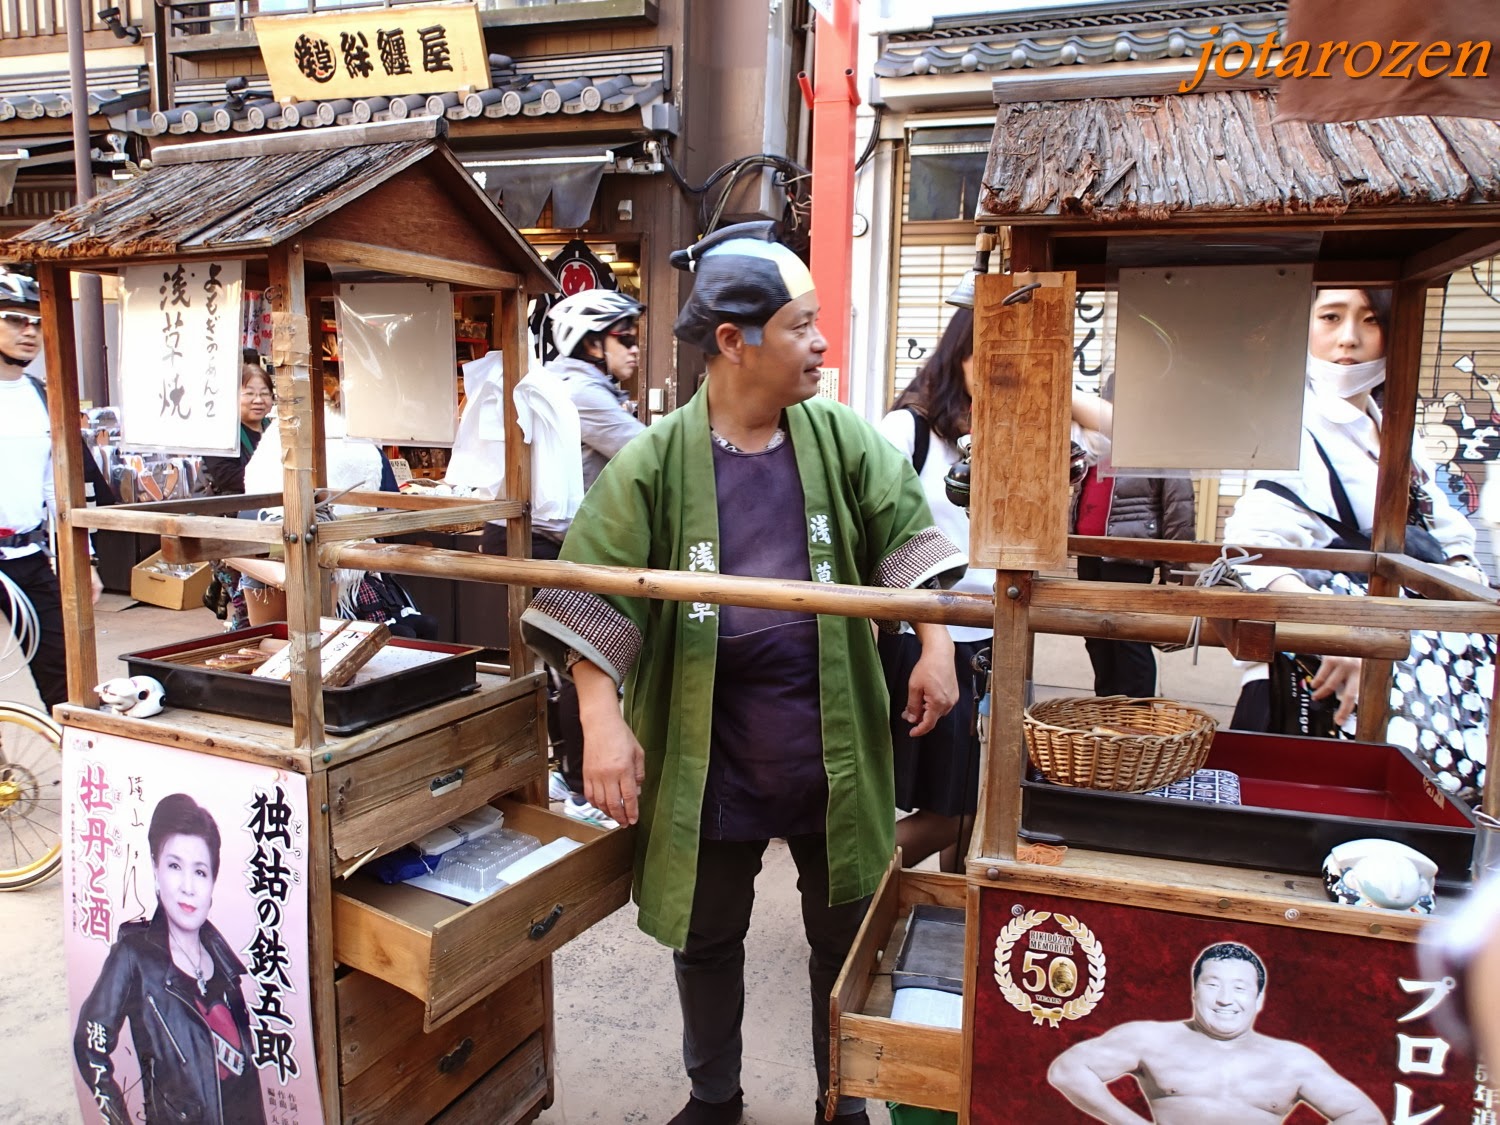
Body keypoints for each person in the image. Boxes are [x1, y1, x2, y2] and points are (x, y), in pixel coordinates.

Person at [520, 221, 965, 1125]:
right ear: (735, 342)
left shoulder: (837, 435)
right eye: (801, 325)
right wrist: (600, 717)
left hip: (828, 745)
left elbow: (905, 530)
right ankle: (713, 1094)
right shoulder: (653, 459)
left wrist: (936, 642)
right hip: (711, 747)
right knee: (708, 933)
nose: (821, 343)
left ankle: (841, 1100)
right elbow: (591, 587)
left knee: (843, 933)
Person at [1223, 288, 1491, 802]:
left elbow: (1449, 534)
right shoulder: (1291, 423)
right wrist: (1335, 628)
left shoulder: (1391, 427)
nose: (1349, 338)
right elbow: (1249, 548)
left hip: (1413, 676)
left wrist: (1464, 587)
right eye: (1330, 317)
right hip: (1320, 685)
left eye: (1369, 320)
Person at [480, 287, 647, 830]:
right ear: (591, 343)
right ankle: (579, 789)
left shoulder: (576, 386)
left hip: (539, 541)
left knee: (562, 666)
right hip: (553, 546)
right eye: (625, 338)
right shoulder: (585, 393)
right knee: (584, 662)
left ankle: (563, 772)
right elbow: (653, 454)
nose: (635, 349)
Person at [877, 306, 994, 870]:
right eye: (988, 356)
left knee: (974, 807)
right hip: (927, 639)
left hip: (996, 636)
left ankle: (954, 918)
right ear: (959, 356)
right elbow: (875, 536)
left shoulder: (1013, 431)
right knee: (945, 809)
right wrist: (934, 639)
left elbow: (1113, 432)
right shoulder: (909, 430)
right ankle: (842, 887)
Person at [74, 793, 265, 1125]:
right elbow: (89, 1045)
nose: (188, 887)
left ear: (212, 883)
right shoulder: (135, 957)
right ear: (155, 869)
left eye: (201, 872)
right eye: (174, 866)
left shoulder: (225, 966)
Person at [1047, 941, 1382, 1124]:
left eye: (1239, 988)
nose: (1225, 999)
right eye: (1212, 985)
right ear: (1194, 992)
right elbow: (1068, 1070)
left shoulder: (1292, 1060)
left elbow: (1364, 1117)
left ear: (1258, 998)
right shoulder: (1151, 1038)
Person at [0, 268, 103, 712]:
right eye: (13, 319)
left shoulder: (44, 395)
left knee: (64, 671)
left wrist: (86, 560)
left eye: (37, 321)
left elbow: (58, 488)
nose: (30, 331)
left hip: (28, 558)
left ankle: (80, 766)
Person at [1069, 379, 1197, 697]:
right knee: (1095, 635)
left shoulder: (1159, 442)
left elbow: (1178, 509)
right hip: (1090, 550)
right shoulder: (1095, 440)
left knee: (1128, 638)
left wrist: (1177, 576)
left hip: (1129, 552)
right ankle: (1107, 704)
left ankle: (1137, 716)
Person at [203, 357, 273, 629]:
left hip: (266, 528)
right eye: (250, 393)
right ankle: (239, 658)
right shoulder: (221, 435)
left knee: (267, 600)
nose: (258, 400)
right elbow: (228, 477)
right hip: (230, 532)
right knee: (246, 603)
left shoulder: (275, 430)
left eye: (264, 393)